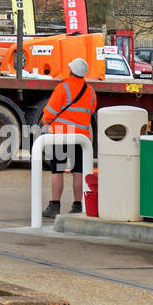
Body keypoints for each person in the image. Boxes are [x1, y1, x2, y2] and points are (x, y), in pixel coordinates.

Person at [41, 57, 97, 218]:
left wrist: (45, 122)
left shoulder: (62, 88)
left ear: (71, 70)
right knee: (78, 171)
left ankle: (54, 206)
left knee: (57, 170)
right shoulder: (90, 91)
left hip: (61, 135)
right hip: (81, 138)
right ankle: (78, 205)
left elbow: (50, 112)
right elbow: (91, 109)